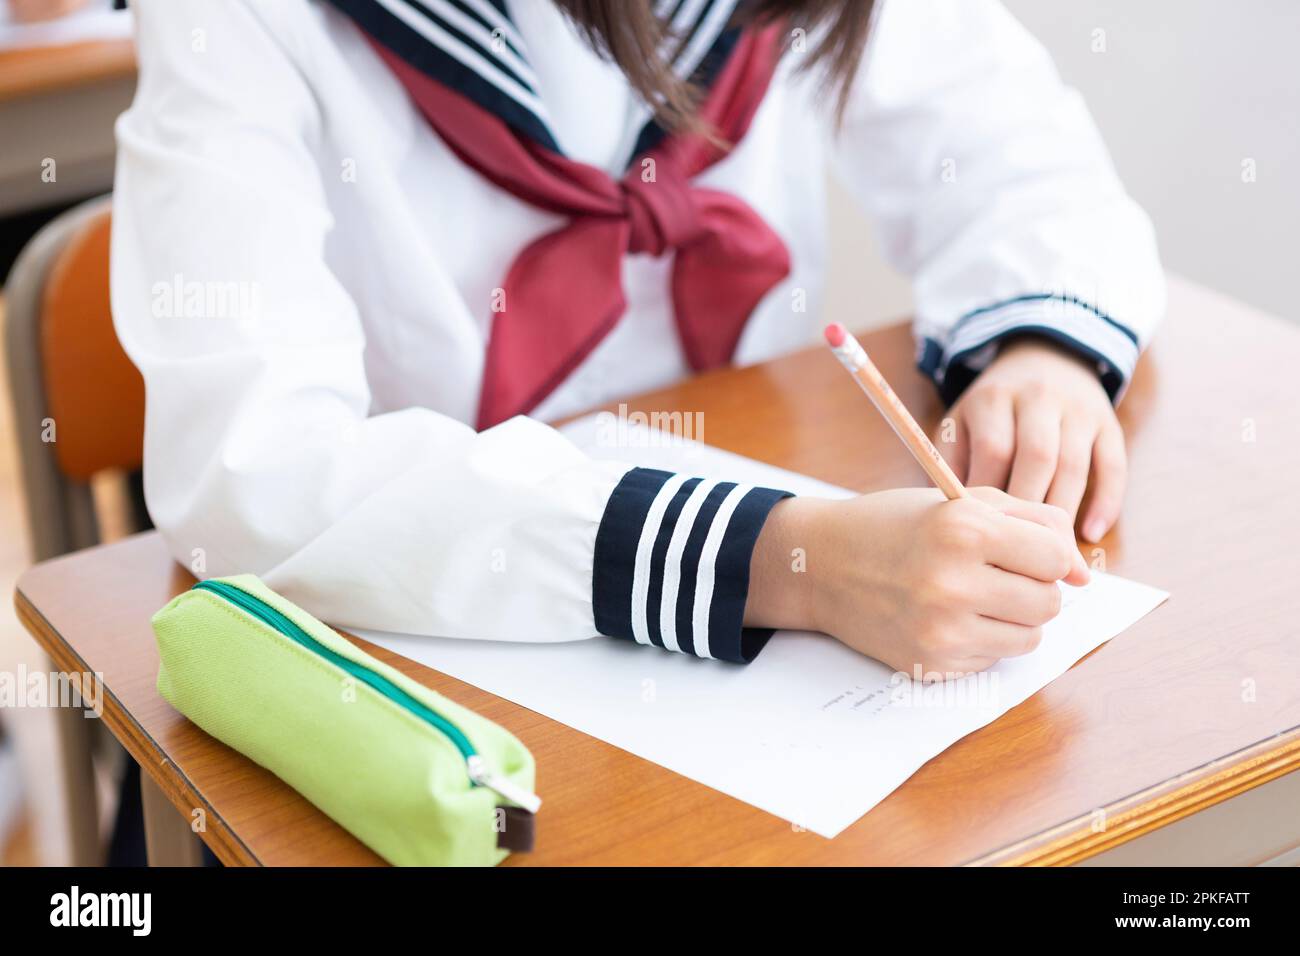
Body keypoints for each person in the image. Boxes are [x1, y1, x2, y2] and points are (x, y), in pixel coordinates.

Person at [110, 0, 1164, 675]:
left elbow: (1018, 158)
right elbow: (256, 475)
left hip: (764, 573)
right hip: (408, 647)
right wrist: (782, 560)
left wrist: (1041, 348)